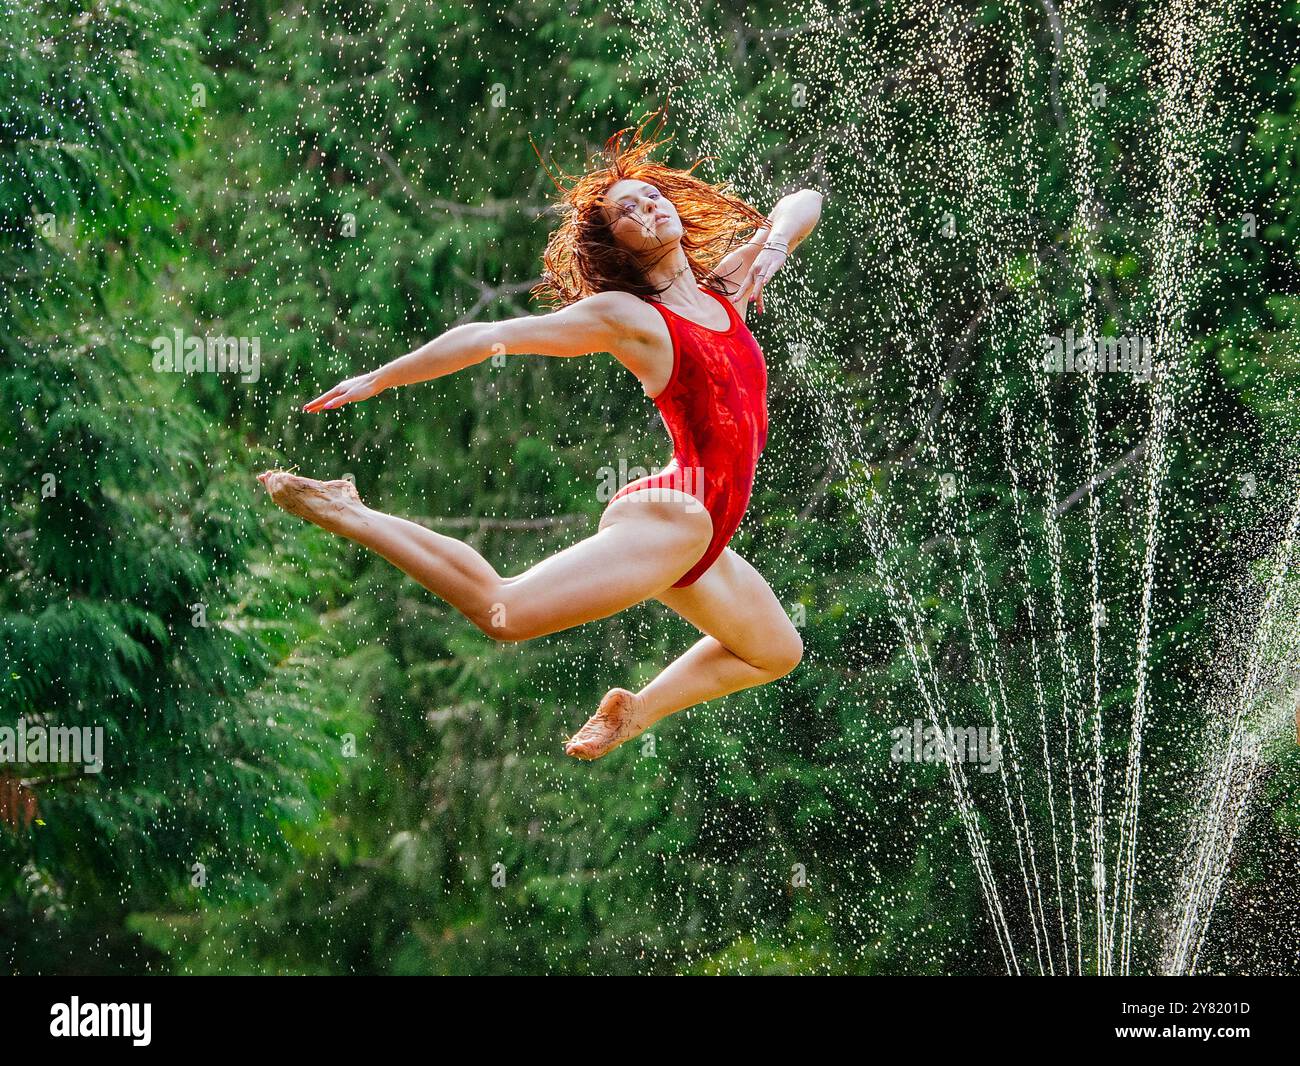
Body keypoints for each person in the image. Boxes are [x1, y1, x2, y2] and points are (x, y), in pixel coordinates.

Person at [259, 107, 822, 759]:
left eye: (649, 197)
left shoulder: (728, 288)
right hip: (679, 516)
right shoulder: (629, 316)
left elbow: (803, 199)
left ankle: (636, 711)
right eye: (627, 214)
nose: (647, 209)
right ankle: (347, 511)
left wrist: (776, 242)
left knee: (775, 651)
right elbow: (489, 336)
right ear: (619, 248)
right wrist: (384, 377)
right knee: (506, 612)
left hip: (706, 536)